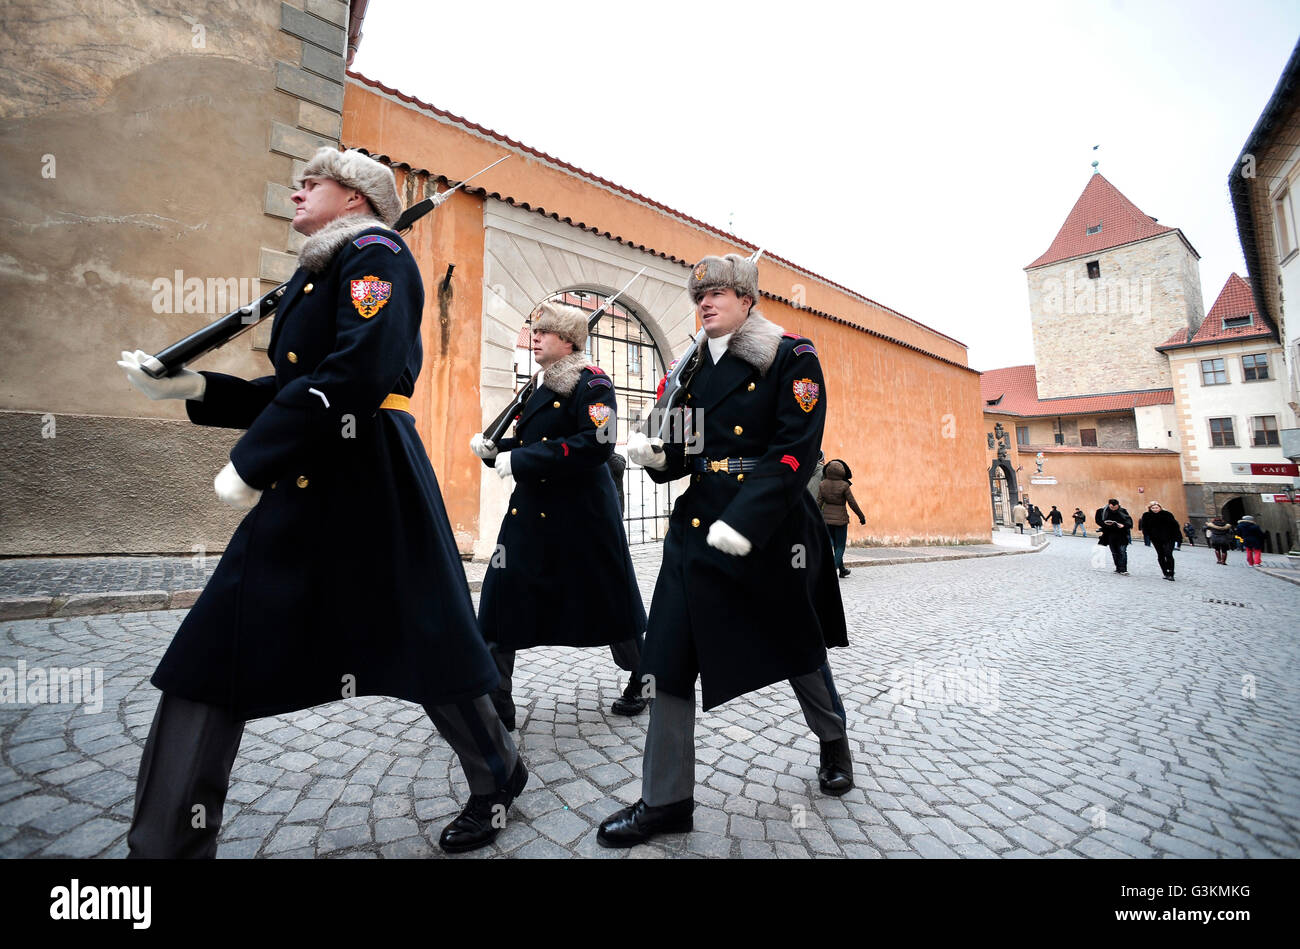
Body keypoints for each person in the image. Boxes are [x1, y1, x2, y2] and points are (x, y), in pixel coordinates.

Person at [116, 148, 525, 856]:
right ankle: (164, 847)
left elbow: (360, 369)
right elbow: (292, 385)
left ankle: (498, 772)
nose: (298, 191)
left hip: (372, 474)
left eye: (315, 182)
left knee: (429, 641)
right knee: (213, 648)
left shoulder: (376, 253)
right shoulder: (322, 269)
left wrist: (255, 458)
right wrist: (195, 390)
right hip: (311, 472)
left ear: (357, 198)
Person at [600, 253, 851, 848]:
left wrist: (747, 519)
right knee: (667, 657)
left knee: (796, 645)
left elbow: (797, 450)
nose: (705, 302)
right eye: (699, 295)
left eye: (718, 293)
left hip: (769, 529)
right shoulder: (692, 369)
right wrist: (662, 460)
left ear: (747, 299)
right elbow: (686, 448)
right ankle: (665, 802)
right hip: (697, 527)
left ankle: (833, 739)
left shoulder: (792, 356)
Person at [472, 302, 648, 727]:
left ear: (568, 341)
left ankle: (646, 678)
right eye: (534, 331)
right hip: (531, 511)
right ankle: (498, 703)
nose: (535, 337)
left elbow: (597, 444)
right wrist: (498, 450)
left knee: (610, 604)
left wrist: (524, 459)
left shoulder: (593, 383)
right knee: (500, 595)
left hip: (582, 516)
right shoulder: (537, 385)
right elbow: (534, 441)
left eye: (544, 332)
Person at [818, 459, 865, 578]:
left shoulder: (823, 484)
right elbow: (852, 503)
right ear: (841, 472)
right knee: (840, 546)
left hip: (826, 519)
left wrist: (814, 517)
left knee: (833, 545)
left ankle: (842, 570)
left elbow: (818, 502)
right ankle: (832, 569)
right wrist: (861, 516)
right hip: (841, 520)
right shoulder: (844, 485)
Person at [1137, 501, 1181, 581]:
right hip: (1156, 539)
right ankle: (1165, 572)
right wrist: (1148, 535)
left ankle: (1171, 572)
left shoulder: (1167, 514)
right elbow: (1144, 526)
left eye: (1156, 508)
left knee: (1168, 553)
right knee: (1160, 555)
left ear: (1160, 507)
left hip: (1169, 537)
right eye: (1153, 508)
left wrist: (1178, 537)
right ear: (1150, 508)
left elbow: (1175, 525)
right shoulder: (1147, 515)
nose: (1155, 509)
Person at [1095, 498, 1133, 575]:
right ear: (1109, 505)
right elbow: (1098, 521)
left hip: (1122, 534)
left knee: (1122, 551)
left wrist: (1123, 525)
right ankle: (1118, 568)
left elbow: (1129, 522)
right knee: (1114, 552)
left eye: (1115, 507)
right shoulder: (1102, 511)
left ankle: (1123, 569)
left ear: (1118, 505)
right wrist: (1106, 524)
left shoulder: (1123, 511)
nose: (1113, 508)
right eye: (1111, 507)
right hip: (1110, 534)